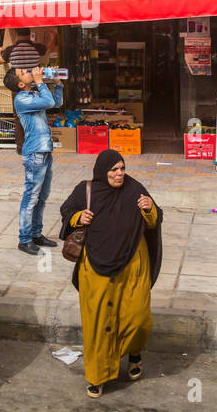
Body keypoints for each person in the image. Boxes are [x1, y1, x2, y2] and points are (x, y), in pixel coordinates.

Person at [58, 149, 162, 398]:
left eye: (122, 168)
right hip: (95, 266)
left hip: (132, 265)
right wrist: (77, 217)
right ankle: (98, 376)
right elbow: (66, 212)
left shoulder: (135, 188)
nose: (119, 174)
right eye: (114, 170)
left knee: (138, 318)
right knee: (98, 324)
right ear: (102, 172)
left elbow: (153, 222)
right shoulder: (86, 191)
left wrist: (150, 209)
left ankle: (134, 352)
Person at [7, 65, 62, 255]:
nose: (30, 71)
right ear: (21, 84)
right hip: (34, 153)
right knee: (31, 197)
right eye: (24, 73)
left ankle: (36, 233)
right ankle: (24, 239)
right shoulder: (21, 99)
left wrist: (57, 83)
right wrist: (40, 81)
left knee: (42, 196)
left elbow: (55, 103)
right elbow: (47, 102)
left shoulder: (33, 95)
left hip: (45, 151)